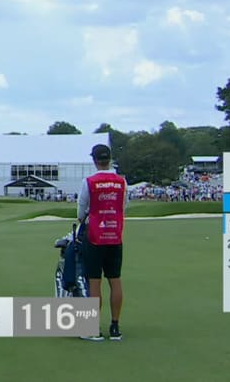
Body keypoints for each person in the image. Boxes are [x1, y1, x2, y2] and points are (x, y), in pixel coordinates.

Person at [77, 144, 128, 341]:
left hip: (95, 236)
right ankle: (115, 327)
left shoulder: (88, 182)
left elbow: (81, 210)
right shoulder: (121, 182)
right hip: (115, 235)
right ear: (110, 159)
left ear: (94, 160)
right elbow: (124, 206)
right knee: (115, 280)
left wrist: (85, 220)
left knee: (94, 282)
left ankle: (93, 328)